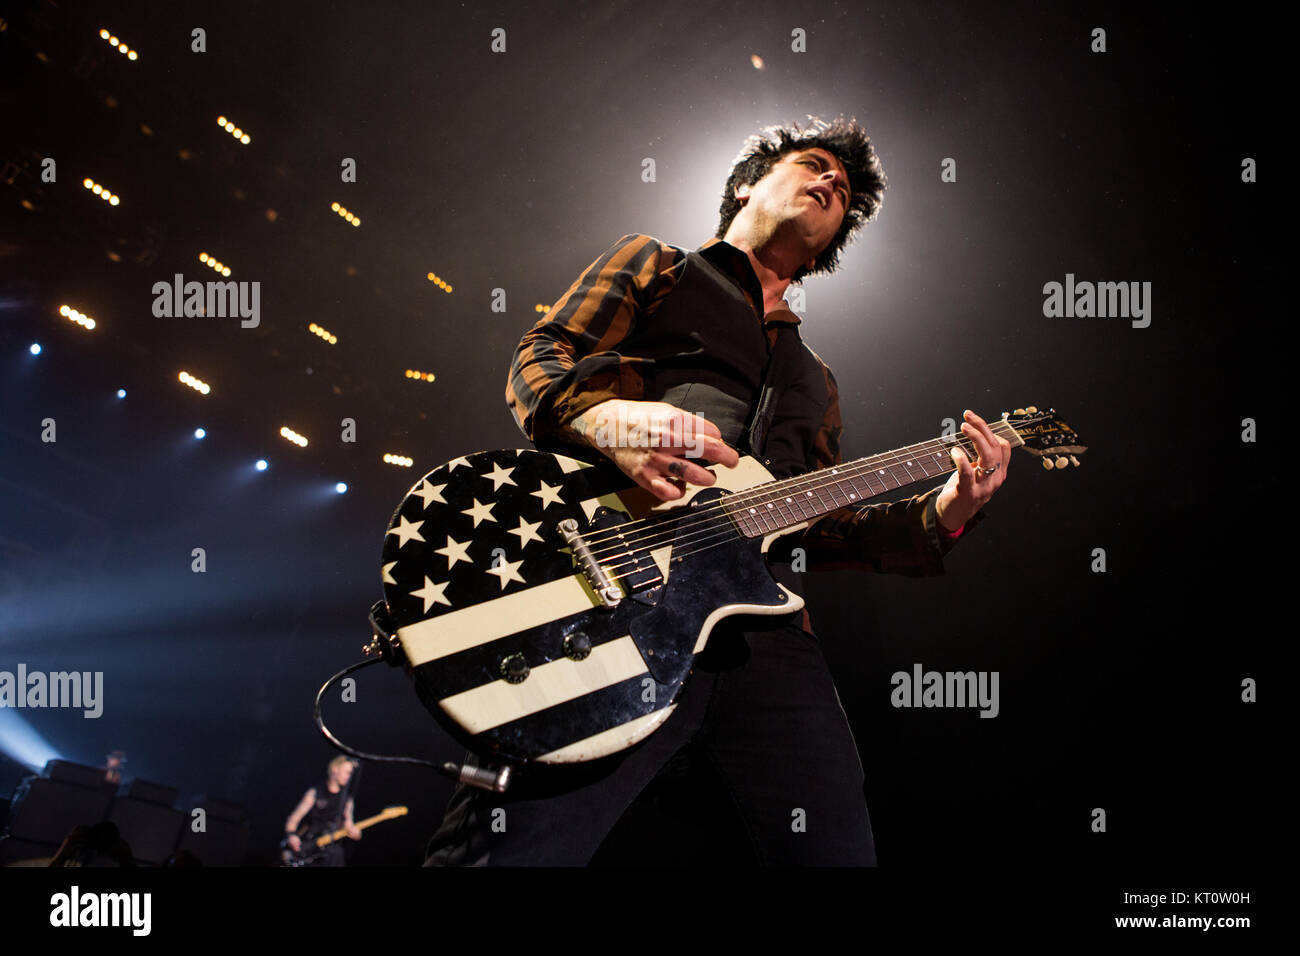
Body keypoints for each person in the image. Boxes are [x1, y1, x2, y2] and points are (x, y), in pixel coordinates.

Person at [425, 115, 1010, 866]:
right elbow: (543, 356)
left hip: (761, 641)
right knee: (512, 850)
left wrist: (948, 511)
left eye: (845, 188)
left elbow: (811, 523)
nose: (833, 181)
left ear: (832, 245)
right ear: (746, 184)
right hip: (613, 600)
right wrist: (611, 423)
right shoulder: (658, 265)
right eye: (814, 163)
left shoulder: (817, 380)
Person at [283, 757, 362, 866]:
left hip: (333, 854)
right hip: (310, 849)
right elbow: (292, 820)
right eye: (347, 772)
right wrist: (292, 835)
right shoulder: (315, 793)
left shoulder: (347, 800)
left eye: (350, 774)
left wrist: (355, 832)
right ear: (335, 769)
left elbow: (348, 824)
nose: (348, 777)